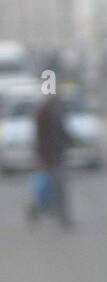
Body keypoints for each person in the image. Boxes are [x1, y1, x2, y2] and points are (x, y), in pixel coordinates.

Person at [28, 91, 74, 228]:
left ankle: (60, 216)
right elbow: (39, 138)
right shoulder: (43, 115)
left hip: (57, 156)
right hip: (48, 158)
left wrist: (72, 142)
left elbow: (62, 133)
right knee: (52, 187)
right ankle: (39, 210)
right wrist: (40, 158)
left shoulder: (57, 115)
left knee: (56, 188)